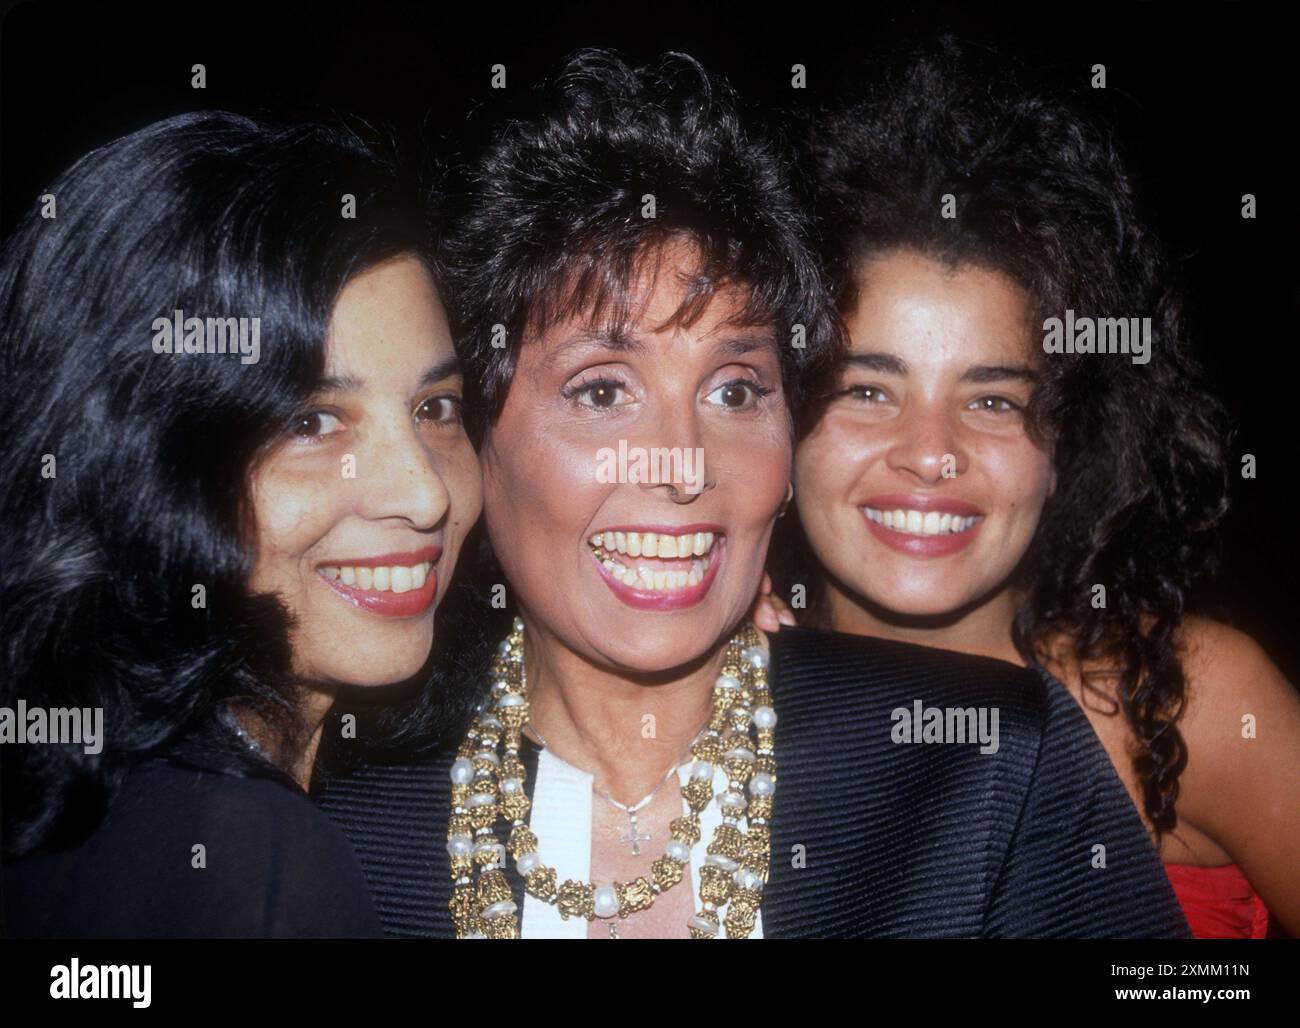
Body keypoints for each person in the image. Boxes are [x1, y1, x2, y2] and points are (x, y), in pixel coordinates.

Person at [318, 49, 1191, 939]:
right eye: (602, 390)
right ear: (472, 443)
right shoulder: (339, 822)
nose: (682, 464)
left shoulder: (985, 769)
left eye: (734, 389)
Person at [762, 38, 1300, 937]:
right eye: (866, 390)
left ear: (1063, 444)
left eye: (994, 399)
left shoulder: (1186, 703)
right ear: (775, 418)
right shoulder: (711, 705)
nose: (930, 453)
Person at [1, 112, 482, 937]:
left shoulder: (82, 803)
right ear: (137, 461)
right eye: (309, 423)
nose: (425, 493)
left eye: (436, 408)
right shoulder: (253, 865)